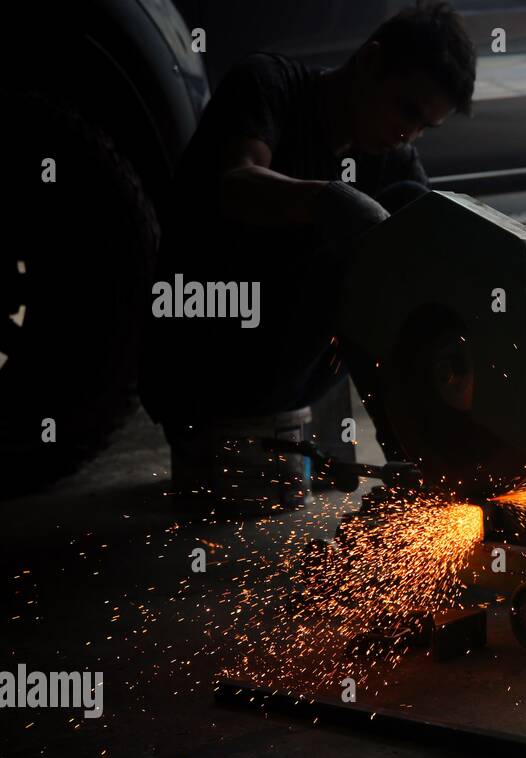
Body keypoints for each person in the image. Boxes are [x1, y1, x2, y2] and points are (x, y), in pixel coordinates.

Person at [138, 1, 476, 510]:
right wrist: (324, 200)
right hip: (207, 352)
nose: (410, 132)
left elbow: (426, 271)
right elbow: (234, 183)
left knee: (413, 212)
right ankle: (421, 459)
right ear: (369, 62)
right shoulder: (268, 85)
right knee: (373, 239)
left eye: (427, 125)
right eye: (407, 109)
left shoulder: (390, 155)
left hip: (287, 371)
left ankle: (428, 464)